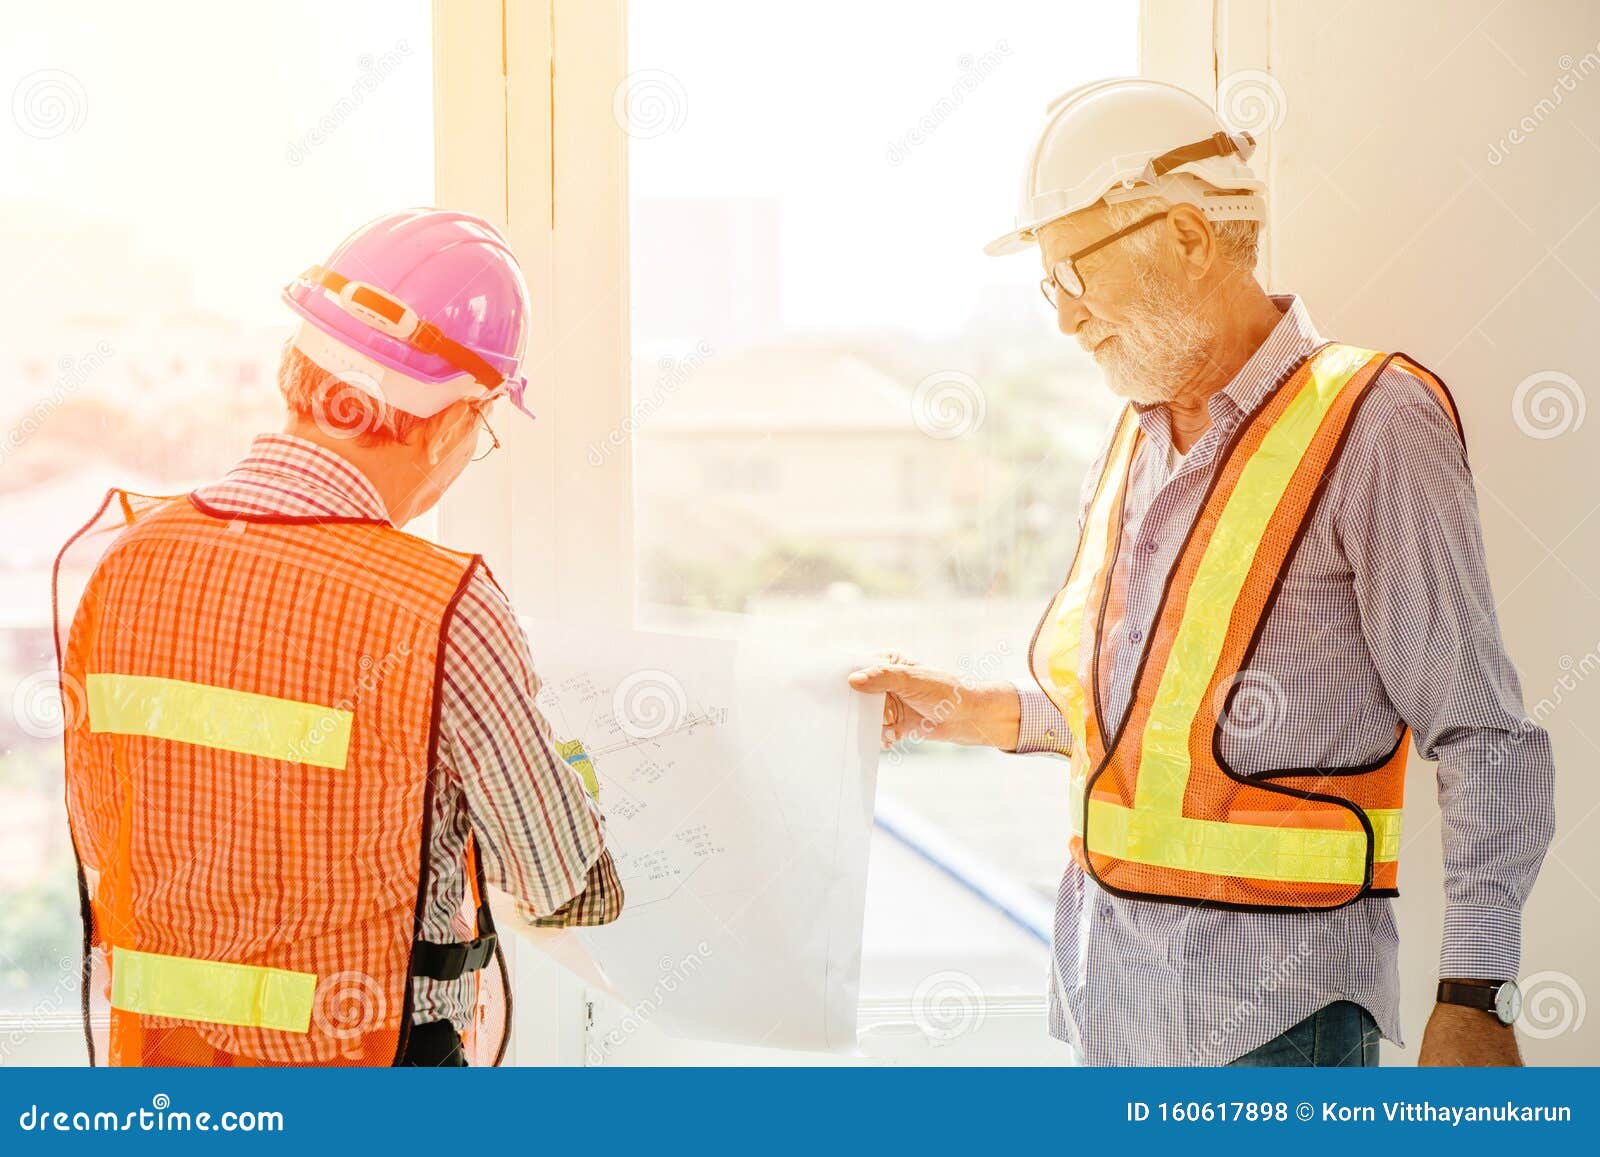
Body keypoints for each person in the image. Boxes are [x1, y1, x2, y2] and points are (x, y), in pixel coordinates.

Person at [848, 79, 1554, 1067]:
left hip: (1274, 1033)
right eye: (1049, 289)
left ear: (1184, 235)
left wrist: (1478, 997)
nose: (1064, 321)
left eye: (1075, 279)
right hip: (1108, 1006)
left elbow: (1482, 729)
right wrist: (967, 708)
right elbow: (1159, 717)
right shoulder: (1138, 437)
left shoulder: (1372, 422)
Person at [56, 209, 621, 1067]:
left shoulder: (125, 561)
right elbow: (569, 885)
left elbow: (106, 836)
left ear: (299, 372)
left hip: (161, 1084)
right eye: (484, 429)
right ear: (445, 424)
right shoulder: (441, 607)